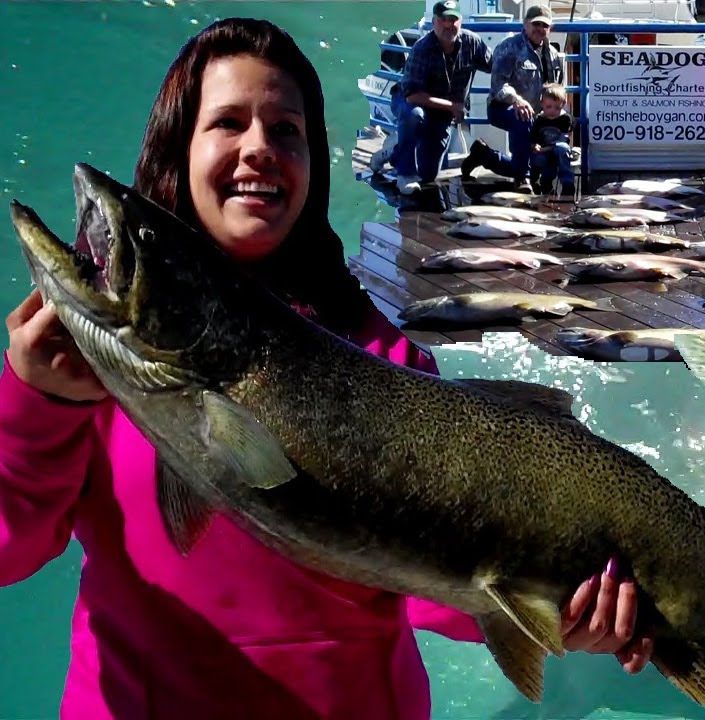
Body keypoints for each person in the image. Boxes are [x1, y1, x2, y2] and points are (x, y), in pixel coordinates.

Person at [0, 17, 653, 719]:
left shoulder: (389, 361)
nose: (259, 148)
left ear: (313, 164)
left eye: (287, 131)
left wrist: (566, 611)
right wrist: (36, 402)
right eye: (227, 123)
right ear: (177, 150)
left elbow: (440, 592)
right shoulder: (80, 361)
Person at [383, 0, 493, 195]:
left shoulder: (472, 42)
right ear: (434, 22)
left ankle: (392, 152)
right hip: (409, 100)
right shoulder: (422, 48)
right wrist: (452, 106)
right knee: (413, 115)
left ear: (460, 21)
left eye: (453, 19)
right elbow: (412, 96)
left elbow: (496, 65)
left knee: (428, 174)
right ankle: (405, 174)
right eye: (443, 20)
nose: (448, 25)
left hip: (442, 113)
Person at [460, 4, 563, 193]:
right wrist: (517, 100)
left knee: (540, 165)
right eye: (536, 24)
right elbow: (498, 85)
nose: (540, 29)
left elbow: (557, 90)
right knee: (522, 118)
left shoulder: (554, 55)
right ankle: (521, 178)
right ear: (525, 24)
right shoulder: (509, 47)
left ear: (550, 28)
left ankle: (484, 156)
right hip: (502, 108)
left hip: (538, 117)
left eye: (545, 25)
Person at [528, 82, 577, 196]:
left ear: (563, 104)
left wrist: (543, 149)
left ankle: (568, 184)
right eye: (548, 107)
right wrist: (535, 145)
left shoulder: (565, 119)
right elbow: (534, 137)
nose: (552, 111)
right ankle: (542, 182)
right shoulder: (539, 120)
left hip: (557, 150)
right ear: (542, 104)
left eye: (557, 108)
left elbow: (563, 140)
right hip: (544, 151)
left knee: (562, 149)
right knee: (539, 158)